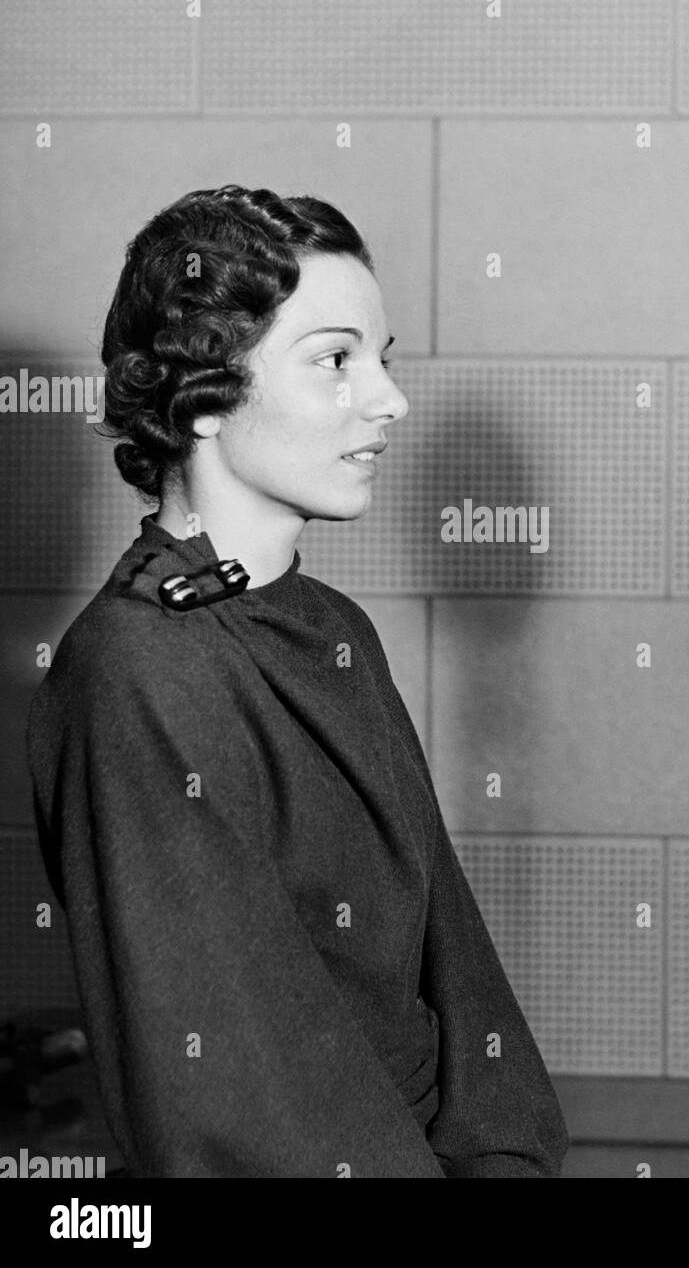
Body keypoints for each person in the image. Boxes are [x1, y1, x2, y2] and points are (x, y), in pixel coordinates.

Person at [26, 184, 569, 1178]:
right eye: (333, 361)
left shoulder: (332, 626)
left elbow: (457, 965)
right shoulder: (134, 673)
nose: (388, 398)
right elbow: (242, 1098)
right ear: (200, 394)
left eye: (381, 358)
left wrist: (504, 1157)